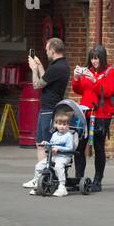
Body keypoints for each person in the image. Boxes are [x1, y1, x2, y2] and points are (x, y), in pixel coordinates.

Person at [70, 44, 114, 190]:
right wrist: (76, 78)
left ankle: (98, 180)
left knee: (98, 147)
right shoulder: (89, 71)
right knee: (80, 147)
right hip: (85, 112)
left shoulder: (110, 72)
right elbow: (79, 90)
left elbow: (108, 91)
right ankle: (79, 179)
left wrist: (94, 80)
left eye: (97, 58)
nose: (94, 62)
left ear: (102, 59)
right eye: (92, 58)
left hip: (101, 115)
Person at [23, 38, 71, 187]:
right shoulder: (61, 65)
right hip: (51, 108)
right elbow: (47, 80)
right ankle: (44, 177)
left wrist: (34, 69)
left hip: (48, 110)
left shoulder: (57, 67)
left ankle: (41, 178)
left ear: (53, 50)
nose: (46, 52)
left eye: (47, 49)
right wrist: (41, 66)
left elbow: (38, 84)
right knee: (45, 145)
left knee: (42, 145)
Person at [29, 106, 77, 197]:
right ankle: (38, 183)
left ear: (68, 125)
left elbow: (70, 148)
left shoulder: (68, 135)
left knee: (59, 166)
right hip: (54, 156)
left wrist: (59, 149)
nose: (62, 126)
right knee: (39, 166)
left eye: (64, 124)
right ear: (55, 124)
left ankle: (62, 186)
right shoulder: (55, 134)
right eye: (59, 124)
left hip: (64, 157)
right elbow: (51, 144)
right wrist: (46, 143)